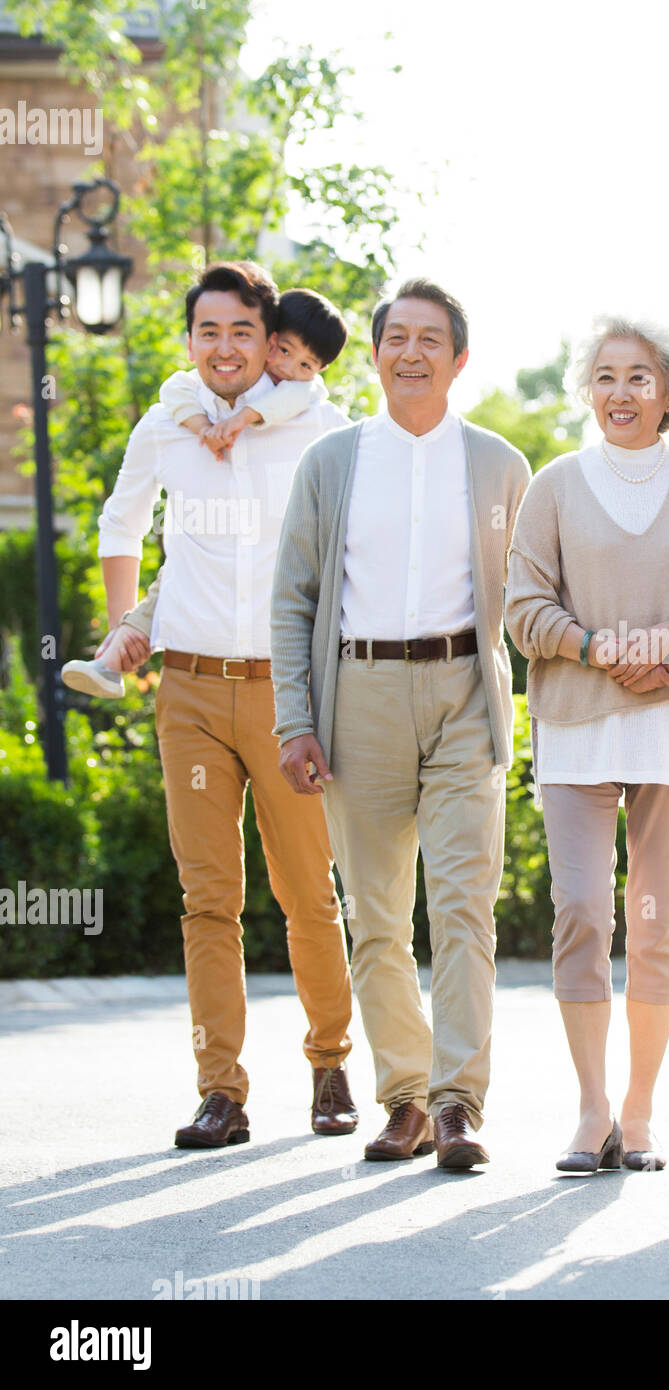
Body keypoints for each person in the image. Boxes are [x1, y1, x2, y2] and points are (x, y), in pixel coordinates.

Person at [96, 260, 359, 1147]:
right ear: (190, 340)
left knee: (308, 893)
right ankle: (221, 1092)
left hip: (290, 695)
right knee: (207, 898)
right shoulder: (167, 425)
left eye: (241, 330)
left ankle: (330, 1065)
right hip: (192, 694)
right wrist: (124, 627)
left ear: (268, 338)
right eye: (207, 330)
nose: (224, 347)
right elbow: (120, 523)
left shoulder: (323, 430)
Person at [272, 277, 531, 1168]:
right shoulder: (331, 463)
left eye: (430, 340)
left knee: (463, 906)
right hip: (360, 695)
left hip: (465, 693)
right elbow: (293, 599)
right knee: (376, 915)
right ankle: (406, 1098)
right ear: (376, 353)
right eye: (397, 338)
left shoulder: (500, 466)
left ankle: (460, 1103)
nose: (411, 353)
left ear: (459, 359)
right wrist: (295, 720)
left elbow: (531, 595)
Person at [506, 317, 669, 1173]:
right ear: (587, 391)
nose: (620, 392)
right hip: (575, 729)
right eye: (605, 376)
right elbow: (523, 609)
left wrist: (664, 645)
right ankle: (591, 1108)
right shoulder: (555, 486)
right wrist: (598, 648)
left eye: (639, 377)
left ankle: (639, 1113)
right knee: (582, 916)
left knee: (659, 925)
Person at [66, 288, 348, 700]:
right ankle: (113, 655)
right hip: (192, 670)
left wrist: (243, 419)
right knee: (174, 576)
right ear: (269, 340)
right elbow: (175, 390)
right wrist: (203, 427)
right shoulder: (173, 415)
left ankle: (116, 650)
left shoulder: (316, 414)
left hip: (288, 672)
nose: (288, 368)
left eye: (305, 364)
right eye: (284, 351)